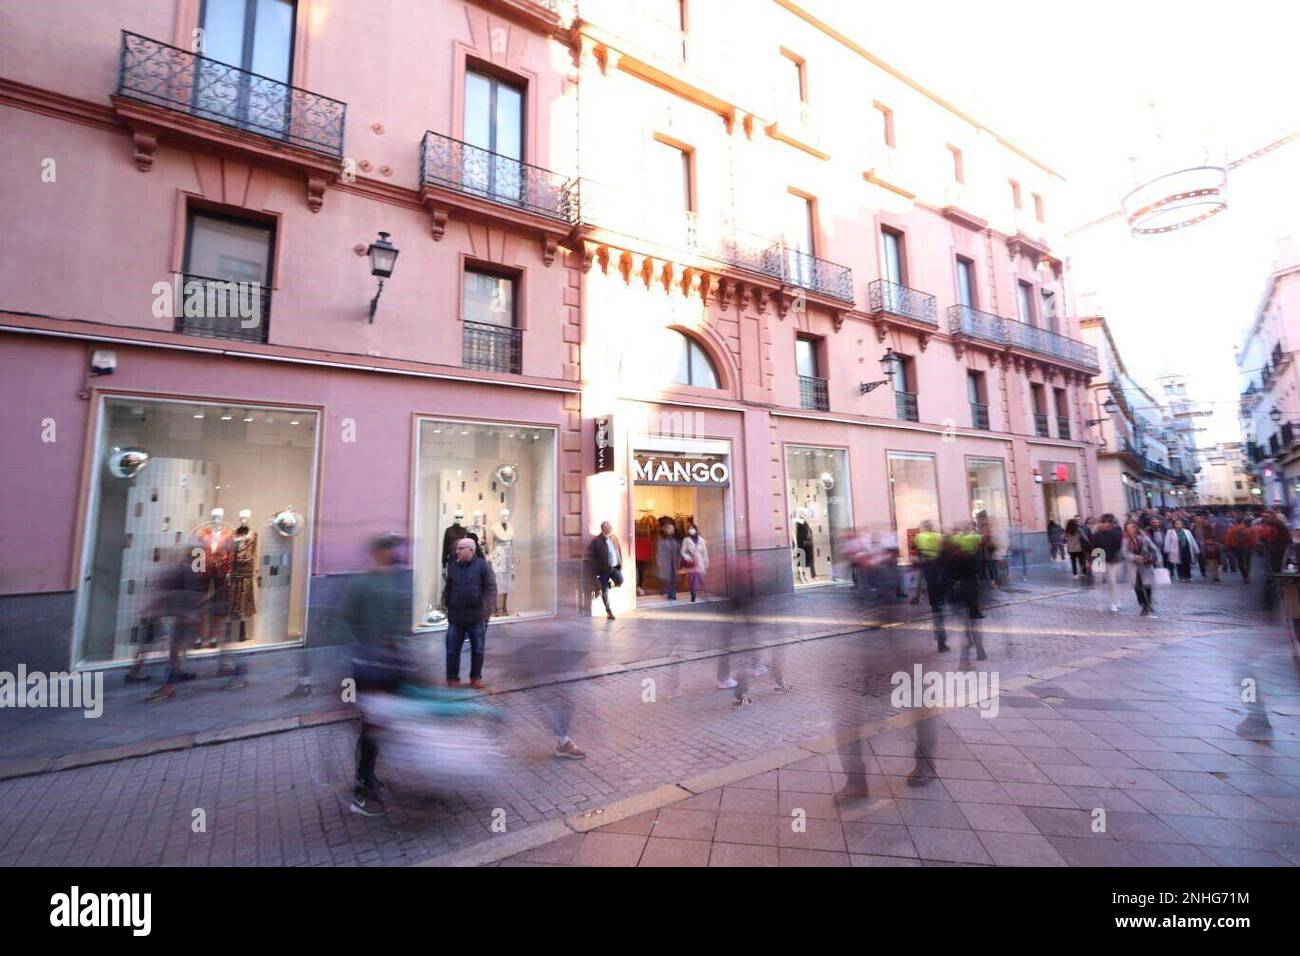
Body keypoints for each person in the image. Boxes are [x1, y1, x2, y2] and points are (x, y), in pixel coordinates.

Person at [342, 533, 414, 816]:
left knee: (384, 721)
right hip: (369, 664)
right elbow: (347, 615)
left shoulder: (396, 579)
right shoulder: (362, 581)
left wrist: (398, 645)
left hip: (392, 662)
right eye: (389, 547)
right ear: (377, 551)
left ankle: (370, 776)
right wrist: (367, 643)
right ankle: (361, 788)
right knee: (372, 725)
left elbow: (401, 617)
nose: (394, 552)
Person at [441, 536, 497, 689]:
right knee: (452, 649)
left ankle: (475, 678)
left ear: (471, 550)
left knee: (478, 649)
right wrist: (446, 605)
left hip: (476, 616)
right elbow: (449, 587)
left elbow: (491, 588)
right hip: (456, 616)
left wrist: (485, 610)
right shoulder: (453, 565)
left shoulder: (482, 565)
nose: (457, 551)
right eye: (457, 548)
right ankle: (452, 679)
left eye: (460, 549)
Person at [914, 520, 948, 651]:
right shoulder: (939, 538)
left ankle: (940, 639)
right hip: (939, 577)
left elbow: (918, 559)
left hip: (929, 577)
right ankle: (941, 640)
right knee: (939, 610)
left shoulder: (919, 539)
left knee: (936, 610)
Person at [1121, 521, 1161, 617]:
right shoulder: (1125, 541)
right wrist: (1135, 557)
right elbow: (1124, 553)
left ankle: (1148, 603)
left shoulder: (1144, 539)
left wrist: (1157, 559)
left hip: (1145, 565)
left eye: (1132, 528)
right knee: (1137, 586)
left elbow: (1154, 549)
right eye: (1128, 529)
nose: (1130, 530)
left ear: (1136, 529)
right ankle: (1143, 604)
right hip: (1133, 566)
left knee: (1147, 585)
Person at [588, 521, 623, 620]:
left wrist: (620, 564)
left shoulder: (613, 538)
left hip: (614, 567)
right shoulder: (597, 541)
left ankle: (605, 586)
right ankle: (609, 612)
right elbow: (593, 559)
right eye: (609, 528)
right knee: (605, 593)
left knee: (620, 580)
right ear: (604, 529)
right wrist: (595, 574)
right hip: (603, 570)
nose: (611, 529)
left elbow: (618, 551)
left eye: (611, 527)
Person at [1092, 514, 1125, 612]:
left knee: (1112, 582)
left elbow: (1119, 547)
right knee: (1098, 581)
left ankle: (1114, 602)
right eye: (1104, 522)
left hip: (1112, 560)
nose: (1106, 524)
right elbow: (1094, 548)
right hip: (1099, 558)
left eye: (1109, 522)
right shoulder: (1096, 534)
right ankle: (1099, 602)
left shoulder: (1117, 533)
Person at [680, 524, 709, 602]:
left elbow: (705, 552)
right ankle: (693, 596)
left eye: (692, 528)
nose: (691, 530)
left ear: (696, 529)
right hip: (691, 562)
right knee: (692, 580)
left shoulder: (701, 540)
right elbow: (682, 552)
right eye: (689, 528)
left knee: (702, 579)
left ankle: (705, 595)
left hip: (700, 562)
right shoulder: (686, 540)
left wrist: (706, 562)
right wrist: (688, 558)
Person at [1164, 518, 1199, 583]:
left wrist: (1196, 549)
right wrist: (1167, 549)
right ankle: (1181, 576)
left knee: (1187, 563)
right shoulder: (1170, 532)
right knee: (1179, 563)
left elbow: (1192, 540)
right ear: (1174, 525)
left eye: (1179, 524)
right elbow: (1167, 541)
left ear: (1182, 524)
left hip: (1186, 549)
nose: (1178, 525)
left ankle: (1188, 576)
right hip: (1177, 550)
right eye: (1176, 524)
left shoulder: (1187, 531)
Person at [1225, 515, 1254, 584]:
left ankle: (1244, 575)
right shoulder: (1248, 528)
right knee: (1247, 561)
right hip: (1248, 547)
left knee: (1240, 562)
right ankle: (1247, 575)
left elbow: (1228, 538)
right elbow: (1253, 537)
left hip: (1238, 547)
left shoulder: (1233, 528)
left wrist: (1229, 546)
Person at [656, 518, 680, 600]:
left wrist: (678, 562)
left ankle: (672, 594)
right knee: (668, 579)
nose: (671, 530)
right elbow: (659, 552)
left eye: (672, 528)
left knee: (673, 579)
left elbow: (677, 551)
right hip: (666, 563)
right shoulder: (661, 540)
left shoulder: (674, 540)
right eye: (669, 528)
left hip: (673, 563)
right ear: (665, 529)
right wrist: (660, 563)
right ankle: (670, 593)